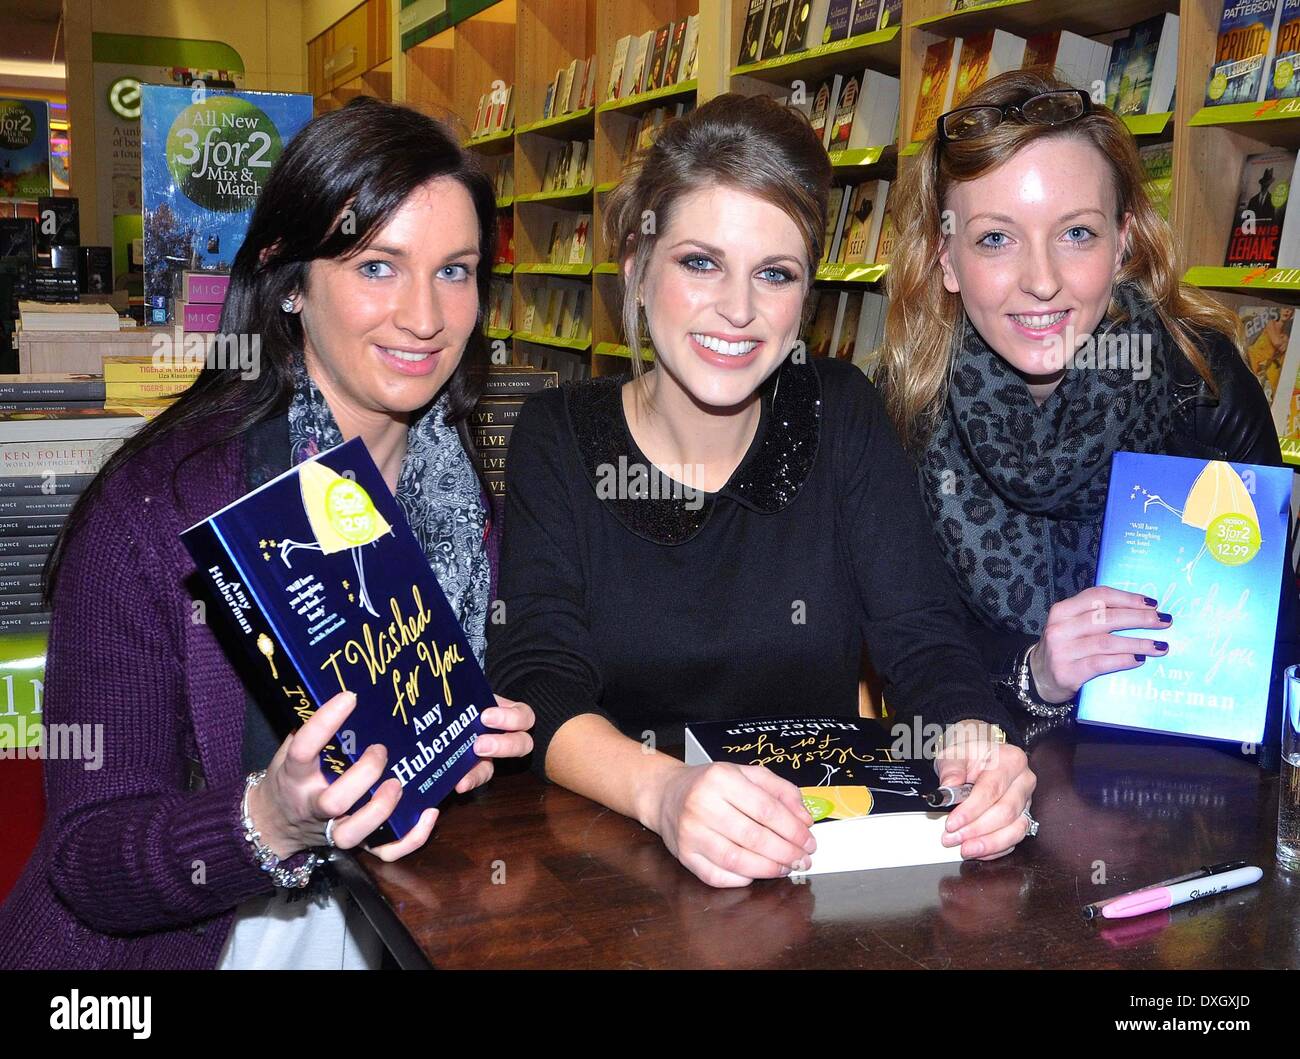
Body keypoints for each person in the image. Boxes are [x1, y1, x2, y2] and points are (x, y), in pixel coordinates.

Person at [0, 97, 534, 970]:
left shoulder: (472, 499)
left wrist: (481, 760)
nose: (426, 316)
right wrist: (269, 816)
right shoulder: (154, 512)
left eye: (456, 270)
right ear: (290, 283)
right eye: (376, 267)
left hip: (410, 931)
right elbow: (87, 859)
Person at [486, 93, 1037, 890]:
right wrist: (666, 792)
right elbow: (538, 681)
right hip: (616, 870)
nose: (739, 310)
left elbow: (922, 635)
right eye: (700, 262)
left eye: (774, 274)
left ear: (805, 300)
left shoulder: (841, 409)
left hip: (817, 867)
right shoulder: (557, 436)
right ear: (638, 272)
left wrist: (975, 745)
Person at [875, 70, 1299, 750]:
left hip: (1183, 800)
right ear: (945, 259)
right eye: (995, 239)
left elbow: (1277, 655)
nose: (1042, 280)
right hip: (988, 804)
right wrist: (1036, 673)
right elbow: (912, 659)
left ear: (1123, 240)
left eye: (1075, 233)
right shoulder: (904, 411)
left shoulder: (1202, 385)